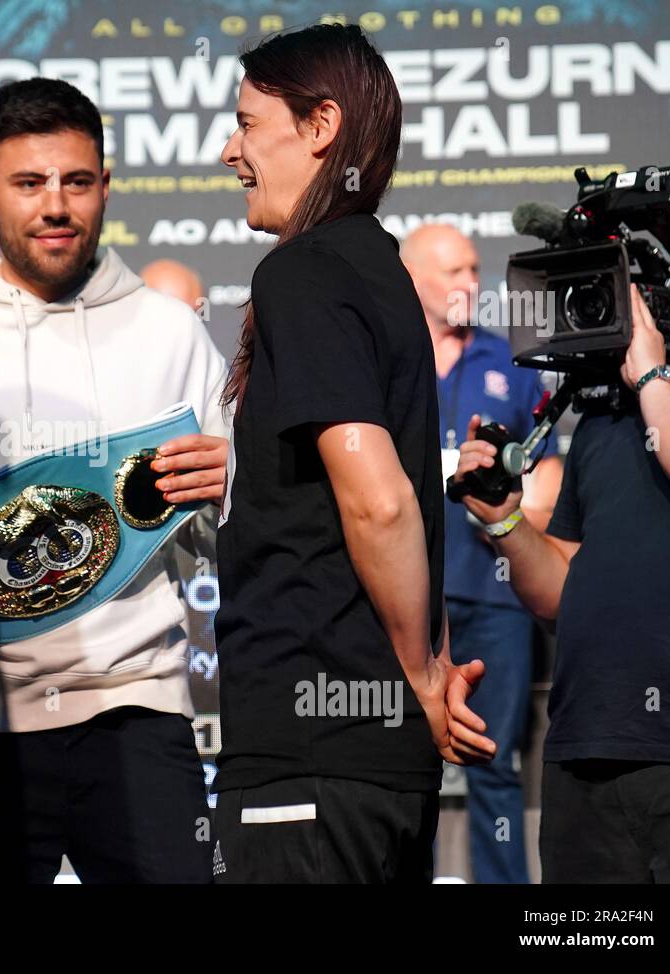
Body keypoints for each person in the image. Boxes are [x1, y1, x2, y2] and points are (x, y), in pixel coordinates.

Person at [211, 25, 492, 884]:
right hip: (365, 766)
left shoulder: (303, 271)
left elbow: (382, 500)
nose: (230, 151)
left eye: (249, 123)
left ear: (320, 125)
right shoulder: (376, 269)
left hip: (310, 757)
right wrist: (425, 671)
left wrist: (418, 667)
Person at [0, 77, 228, 883]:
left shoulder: (169, 332)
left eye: (77, 181)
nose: (55, 205)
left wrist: (226, 487)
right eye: (29, 183)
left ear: (105, 185)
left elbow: (220, 535)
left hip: (139, 708)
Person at [453, 274, 670, 883]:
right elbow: (561, 589)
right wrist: (504, 517)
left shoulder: (649, 394)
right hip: (585, 757)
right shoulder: (608, 418)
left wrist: (649, 378)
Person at [401, 223, 564, 883]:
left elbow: (550, 478)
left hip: (497, 595)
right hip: (404, 598)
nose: (471, 283)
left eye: (474, 270)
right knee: (399, 761)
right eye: (454, 272)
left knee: (494, 761)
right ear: (414, 279)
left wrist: (517, 506)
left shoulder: (512, 365)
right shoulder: (385, 366)